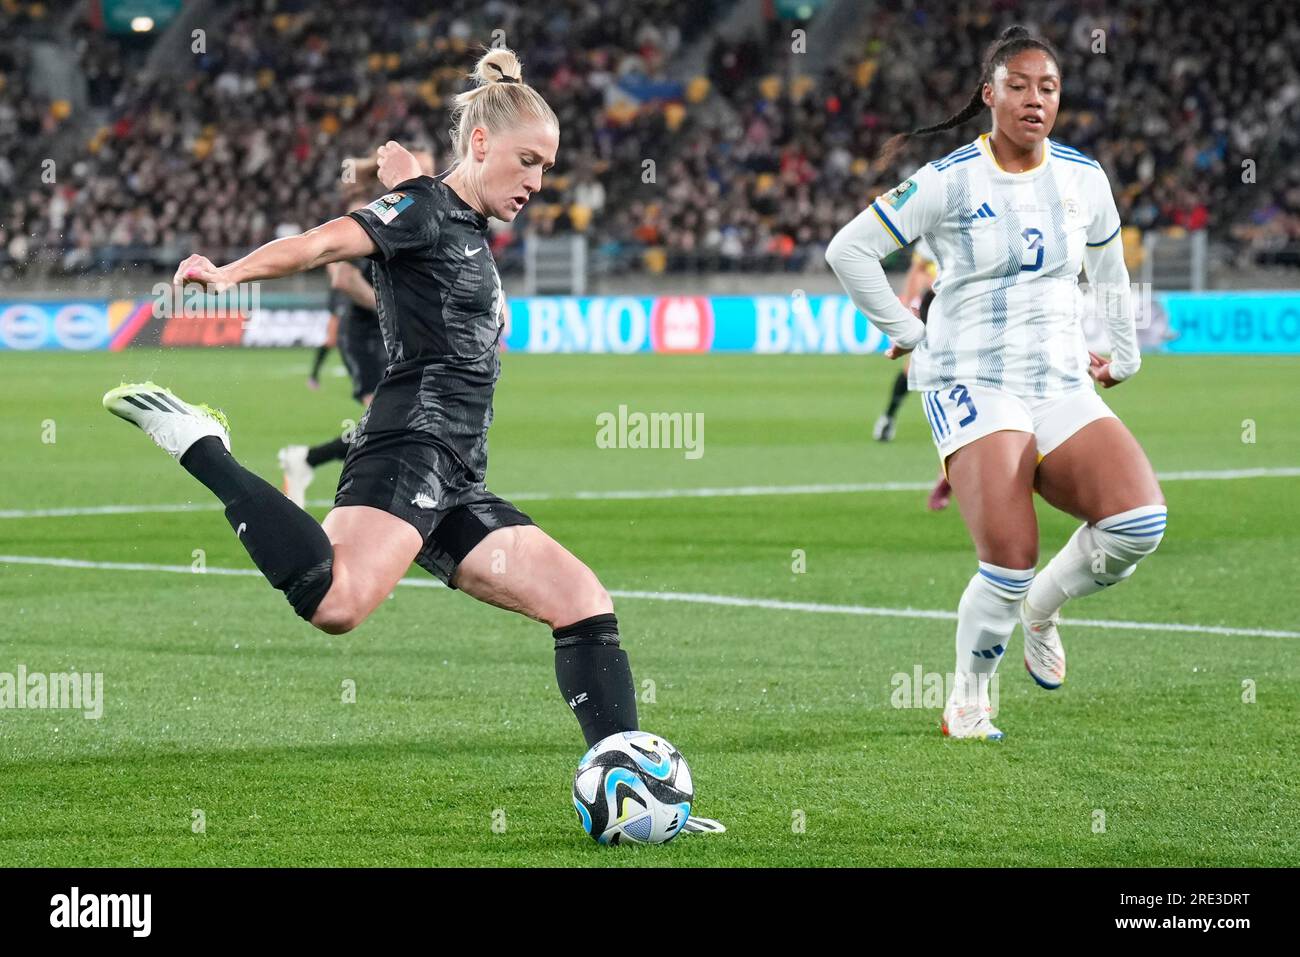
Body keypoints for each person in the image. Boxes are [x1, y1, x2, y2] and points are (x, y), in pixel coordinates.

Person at [103, 47, 721, 833]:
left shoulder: (450, 211)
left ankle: (636, 790)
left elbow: (428, 192)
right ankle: (201, 444)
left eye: (548, 166)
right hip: (409, 446)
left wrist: (423, 163)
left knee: (584, 603)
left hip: (459, 475)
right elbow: (330, 241)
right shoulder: (426, 209)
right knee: (335, 602)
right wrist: (231, 273)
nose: (537, 181)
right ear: (484, 147)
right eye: (527, 160)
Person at [825, 26, 1166, 739]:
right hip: (971, 379)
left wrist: (1123, 355)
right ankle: (969, 699)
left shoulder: (1084, 179)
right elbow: (849, 250)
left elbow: (1108, 277)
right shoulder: (949, 180)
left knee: (1139, 522)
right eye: (1018, 86)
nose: (1034, 99)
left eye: (1048, 88)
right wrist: (910, 331)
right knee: (1007, 560)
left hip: (1059, 379)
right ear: (990, 96)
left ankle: (1043, 608)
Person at [278, 152, 433, 507]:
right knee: (388, 421)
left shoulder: (410, 212)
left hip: (385, 336)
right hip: (360, 335)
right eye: (423, 168)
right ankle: (367, 495)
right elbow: (343, 277)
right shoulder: (369, 212)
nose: (430, 175)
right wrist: (386, 304)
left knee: (395, 419)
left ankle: (308, 461)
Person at [870, 237, 953, 510]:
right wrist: (909, 302)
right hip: (936, 304)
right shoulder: (936, 229)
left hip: (964, 305)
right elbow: (918, 269)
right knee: (913, 368)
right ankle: (888, 417)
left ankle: (954, 453)